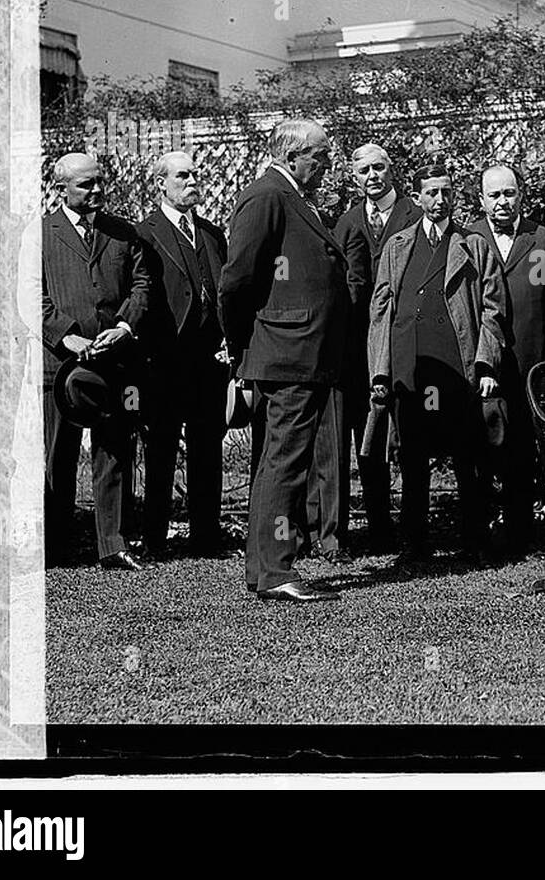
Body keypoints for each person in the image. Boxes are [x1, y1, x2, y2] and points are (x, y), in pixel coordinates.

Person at [219, 119, 349, 602]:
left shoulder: (289, 194)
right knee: (286, 464)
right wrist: (244, 346)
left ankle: (265, 569)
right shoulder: (268, 195)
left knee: (279, 462)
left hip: (296, 352)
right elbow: (236, 281)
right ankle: (275, 571)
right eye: (320, 154)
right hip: (286, 353)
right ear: (293, 155)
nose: (327, 163)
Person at [367, 161, 505, 564]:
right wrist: (380, 370)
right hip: (411, 366)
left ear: (454, 195)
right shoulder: (398, 246)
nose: (439, 200)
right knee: (413, 458)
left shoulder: (473, 244)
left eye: (446, 192)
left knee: (468, 457)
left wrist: (485, 364)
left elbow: (493, 309)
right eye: (431, 192)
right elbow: (380, 311)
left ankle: (475, 541)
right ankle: (415, 545)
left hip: (456, 364)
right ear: (418, 196)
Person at [38, 152, 152, 570]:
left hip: (114, 360)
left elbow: (142, 285)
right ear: (60, 188)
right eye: (86, 184)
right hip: (60, 365)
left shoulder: (124, 232)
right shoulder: (40, 234)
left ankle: (112, 545)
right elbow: (31, 293)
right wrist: (66, 335)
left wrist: (123, 327)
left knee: (115, 450)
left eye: (99, 181)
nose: (97, 190)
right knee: (58, 455)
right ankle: (56, 545)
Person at [136, 151, 229, 558]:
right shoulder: (143, 233)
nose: (193, 180)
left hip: (208, 360)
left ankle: (206, 538)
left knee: (208, 448)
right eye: (182, 175)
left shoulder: (211, 233)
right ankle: (155, 539)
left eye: (195, 174)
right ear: (162, 184)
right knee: (161, 451)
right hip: (165, 360)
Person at [467, 163, 545, 558]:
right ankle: (478, 535)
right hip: (482, 363)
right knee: (479, 448)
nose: (502, 202)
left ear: (521, 194)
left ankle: (520, 534)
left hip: (530, 364)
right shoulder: (467, 239)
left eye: (509, 193)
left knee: (523, 449)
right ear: (481, 199)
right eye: (495, 195)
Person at [333, 143, 423, 553]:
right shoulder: (347, 222)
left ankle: (413, 529)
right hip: (355, 348)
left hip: (404, 341)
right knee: (366, 438)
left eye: (380, 168)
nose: (373, 176)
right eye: (364, 170)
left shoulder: (415, 216)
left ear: (392, 171)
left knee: (407, 438)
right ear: (355, 177)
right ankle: (379, 528)